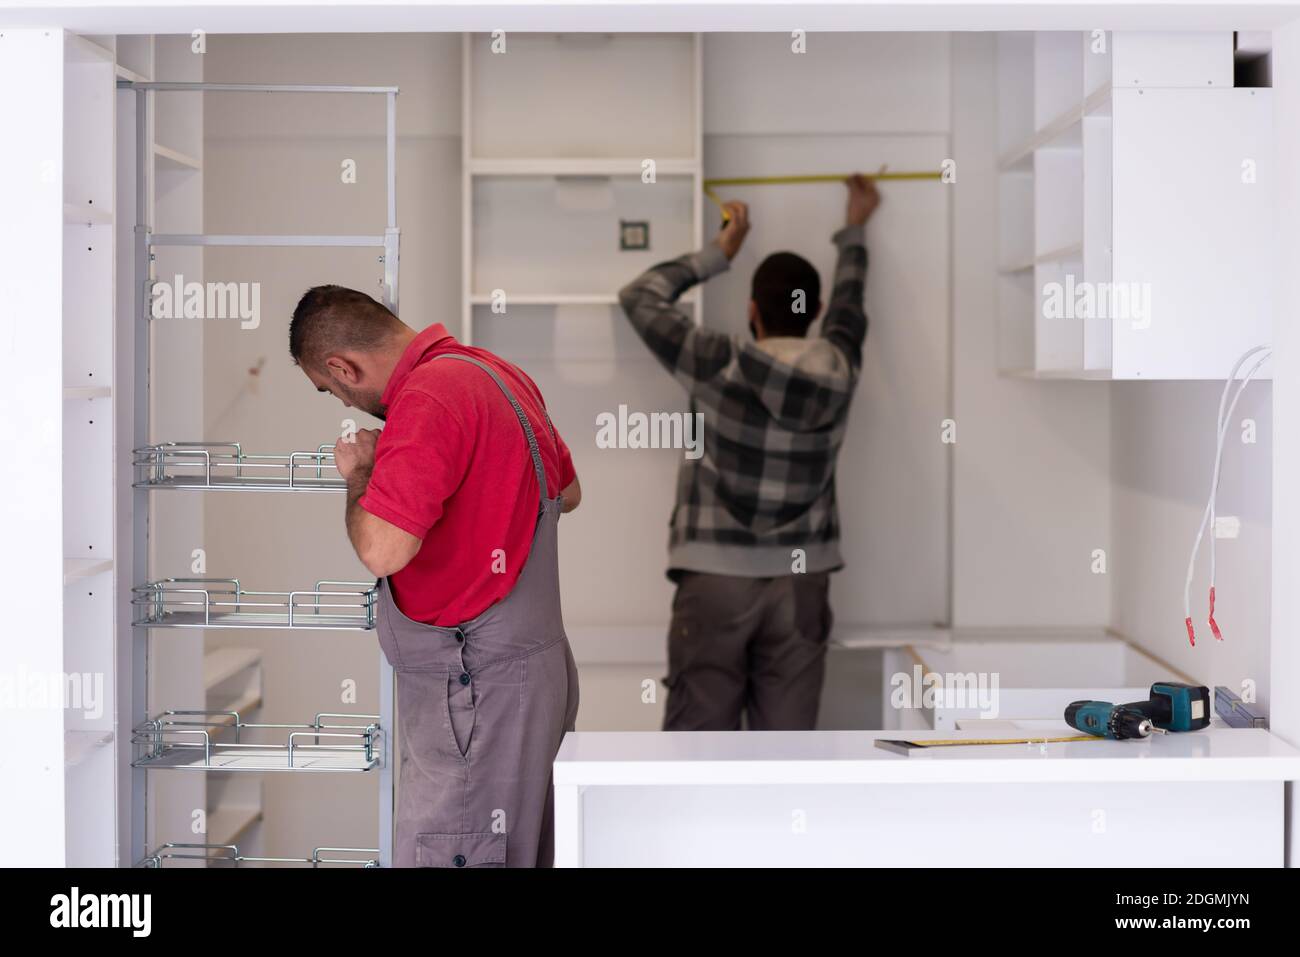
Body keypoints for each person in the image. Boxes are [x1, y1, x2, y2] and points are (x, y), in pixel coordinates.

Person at [289, 286, 581, 867]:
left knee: (459, 849)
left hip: (475, 693)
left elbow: (381, 549)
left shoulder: (428, 399)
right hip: (532, 675)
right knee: (519, 850)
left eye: (333, 390)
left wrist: (363, 475)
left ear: (342, 366)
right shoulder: (495, 372)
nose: (345, 402)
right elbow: (568, 494)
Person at [617, 175, 879, 731]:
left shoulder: (717, 360)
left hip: (713, 578)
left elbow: (639, 296)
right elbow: (851, 306)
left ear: (753, 309)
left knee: (696, 747)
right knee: (785, 754)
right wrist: (854, 227)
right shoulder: (841, 366)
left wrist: (721, 251)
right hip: (801, 583)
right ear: (817, 311)